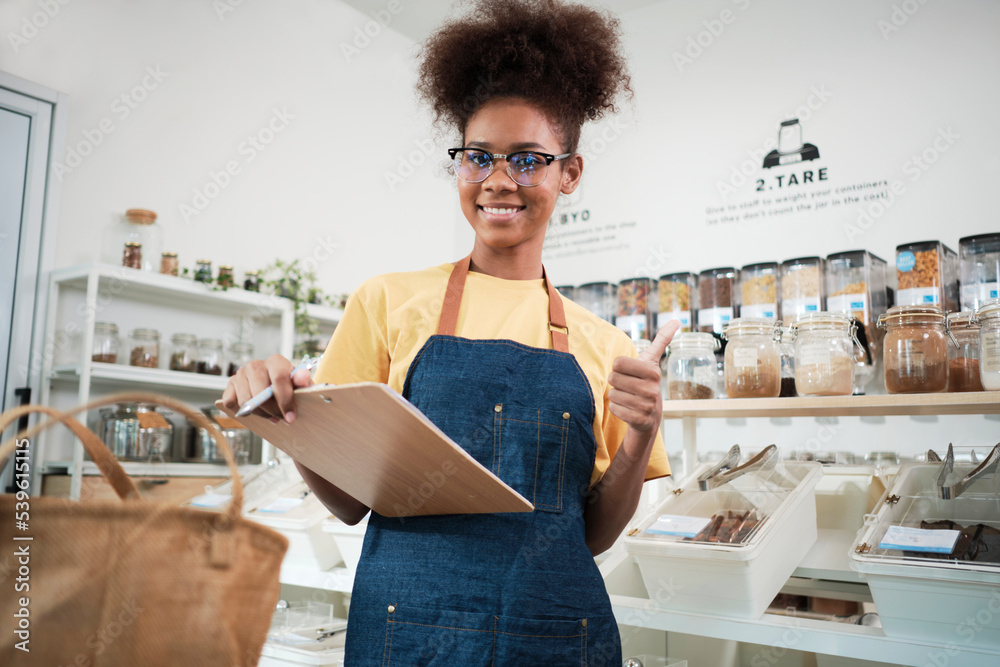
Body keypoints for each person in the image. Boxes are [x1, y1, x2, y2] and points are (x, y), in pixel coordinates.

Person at [223, 0, 677, 663]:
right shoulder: (387, 301)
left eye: (527, 160)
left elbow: (597, 534)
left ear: (568, 172)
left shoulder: (604, 345)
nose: (498, 180)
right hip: (409, 634)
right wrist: (282, 418)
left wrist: (639, 436)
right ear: (457, 163)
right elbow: (349, 503)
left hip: (555, 636)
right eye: (478, 156)